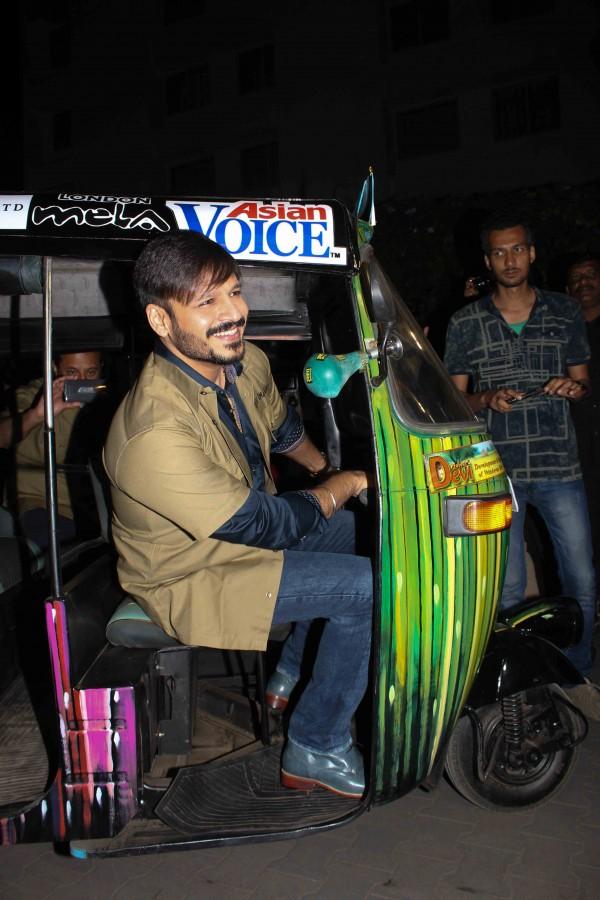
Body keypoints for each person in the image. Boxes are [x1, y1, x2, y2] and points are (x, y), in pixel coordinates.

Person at [103, 232, 373, 798]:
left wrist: (326, 469)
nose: (233, 314)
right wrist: (346, 483)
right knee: (371, 589)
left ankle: (292, 673)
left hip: (241, 541)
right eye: (206, 303)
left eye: (234, 292)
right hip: (189, 574)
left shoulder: (242, 361)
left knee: (353, 533)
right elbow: (263, 527)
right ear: (159, 320)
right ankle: (316, 744)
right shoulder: (153, 429)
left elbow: (281, 429)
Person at [444, 212, 597, 696]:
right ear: (487, 260)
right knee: (507, 589)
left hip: (560, 467)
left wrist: (571, 388)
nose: (509, 260)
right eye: (498, 252)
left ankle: (575, 670)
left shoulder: (565, 311)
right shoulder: (465, 322)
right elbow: (454, 401)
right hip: (495, 472)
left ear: (531, 253)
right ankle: (514, 684)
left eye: (517, 250)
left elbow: (584, 383)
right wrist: (485, 399)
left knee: (582, 579)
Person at [0, 350, 103, 549]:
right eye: (72, 372)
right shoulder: (33, 394)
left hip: (93, 509)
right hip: (40, 503)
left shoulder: (109, 399)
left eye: (90, 372)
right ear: (56, 368)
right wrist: (36, 415)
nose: (81, 380)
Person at [566, 255, 600, 598]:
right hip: (575, 448)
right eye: (576, 279)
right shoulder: (563, 331)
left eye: (590, 276)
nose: (583, 283)